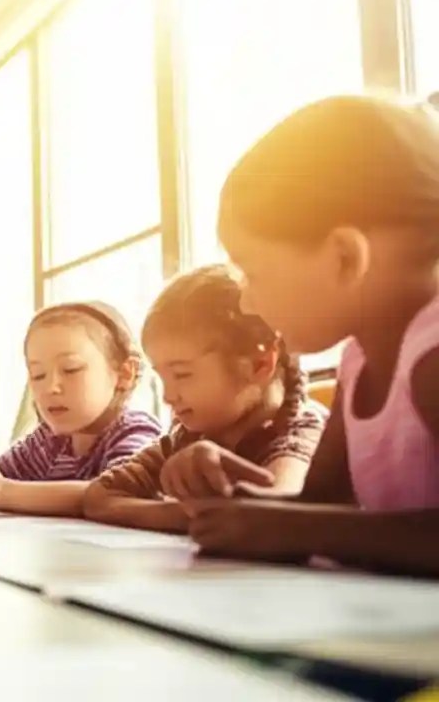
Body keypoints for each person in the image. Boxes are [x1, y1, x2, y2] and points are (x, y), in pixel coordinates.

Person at [183, 95, 439, 576]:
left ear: (345, 257)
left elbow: (322, 525)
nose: (246, 302)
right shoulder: (360, 358)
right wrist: (245, 504)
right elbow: (327, 502)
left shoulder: (432, 355)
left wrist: (297, 529)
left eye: (253, 273)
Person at [82, 265, 326, 532]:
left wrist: (193, 516)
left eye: (182, 374)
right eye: (162, 377)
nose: (167, 397)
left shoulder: (300, 431)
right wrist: (188, 516)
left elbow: (273, 516)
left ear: (259, 365)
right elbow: (99, 497)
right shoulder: (187, 437)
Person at [0, 302, 161, 516]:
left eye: (71, 369)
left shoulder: (135, 431)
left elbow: (115, 493)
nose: (51, 387)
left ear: (124, 374)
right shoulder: (45, 442)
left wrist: (1, 492)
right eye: (38, 375)